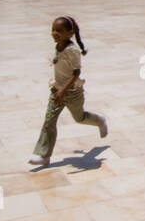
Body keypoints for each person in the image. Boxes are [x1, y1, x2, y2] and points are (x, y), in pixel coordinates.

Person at [29, 15, 108, 166]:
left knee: (80, 118)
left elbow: (76, 73)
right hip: (57, 92)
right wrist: (58, 90)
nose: (54, 33)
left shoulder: (72, 51)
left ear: (69, 33)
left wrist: (63, 91)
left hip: (72, 93)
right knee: (49, 122)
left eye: (59, 30)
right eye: (53, 29)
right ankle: (43, 155)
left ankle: (99, 120)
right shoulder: (58, 45)